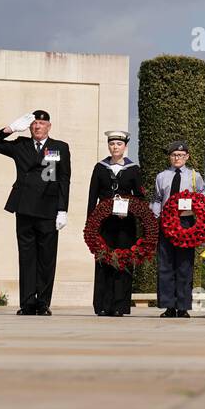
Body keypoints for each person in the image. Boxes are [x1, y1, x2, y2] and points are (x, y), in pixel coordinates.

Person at [0, 110, 71, 316]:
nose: (37, 127)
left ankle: (43, 303)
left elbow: (64, 179)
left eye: (41, 123)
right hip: (24, 207)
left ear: (49, 126)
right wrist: (10, 129)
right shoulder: (20, 145)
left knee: (47, 258)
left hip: (48, 209)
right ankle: (28, 303)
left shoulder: (59, 147)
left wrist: (62, 209)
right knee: (27, 257)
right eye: (34, 124)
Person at [85, 130, 143, 317]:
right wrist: (90, 222)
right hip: (104, 223)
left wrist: (130, 209)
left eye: (119, 144)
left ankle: (120, 305)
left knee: (123, 262)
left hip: (125, 224)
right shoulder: (100, 167)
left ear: (125, 147)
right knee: (104, 261)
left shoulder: (133, 168)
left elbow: (140, 196)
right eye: (112, 144)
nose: (115, 147)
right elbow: (92, 195)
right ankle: (103, 304)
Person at [150, 141, 205, 318]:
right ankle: (169, 306)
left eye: (181, 155)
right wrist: (156, 217)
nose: (177, 158)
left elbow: (202, 197)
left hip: (185, 223)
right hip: (166, 223)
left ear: (187, 157)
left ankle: (182, 306)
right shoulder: (162, 176)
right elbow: (157, 199)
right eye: (174, 155)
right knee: (166, 265)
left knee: (184, 265)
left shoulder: (194, 176)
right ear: (170, 157)